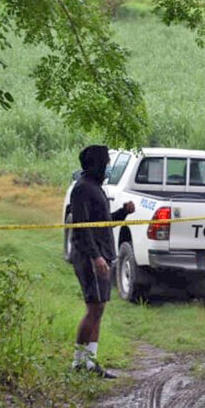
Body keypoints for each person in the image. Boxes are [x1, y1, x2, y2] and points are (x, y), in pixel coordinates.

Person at [69, 145, 134, 378]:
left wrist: (122, 214)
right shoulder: (83, 189)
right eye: (106, 162)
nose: (108, 166)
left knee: (99, 308)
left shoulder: (96, 187)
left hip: (103, 255)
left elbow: (102, 222)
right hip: (90, 258)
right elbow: (82, 228)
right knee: (94, 307)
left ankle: (90, 363)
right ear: (95, 164)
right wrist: (95, 257)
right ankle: (78, 363)